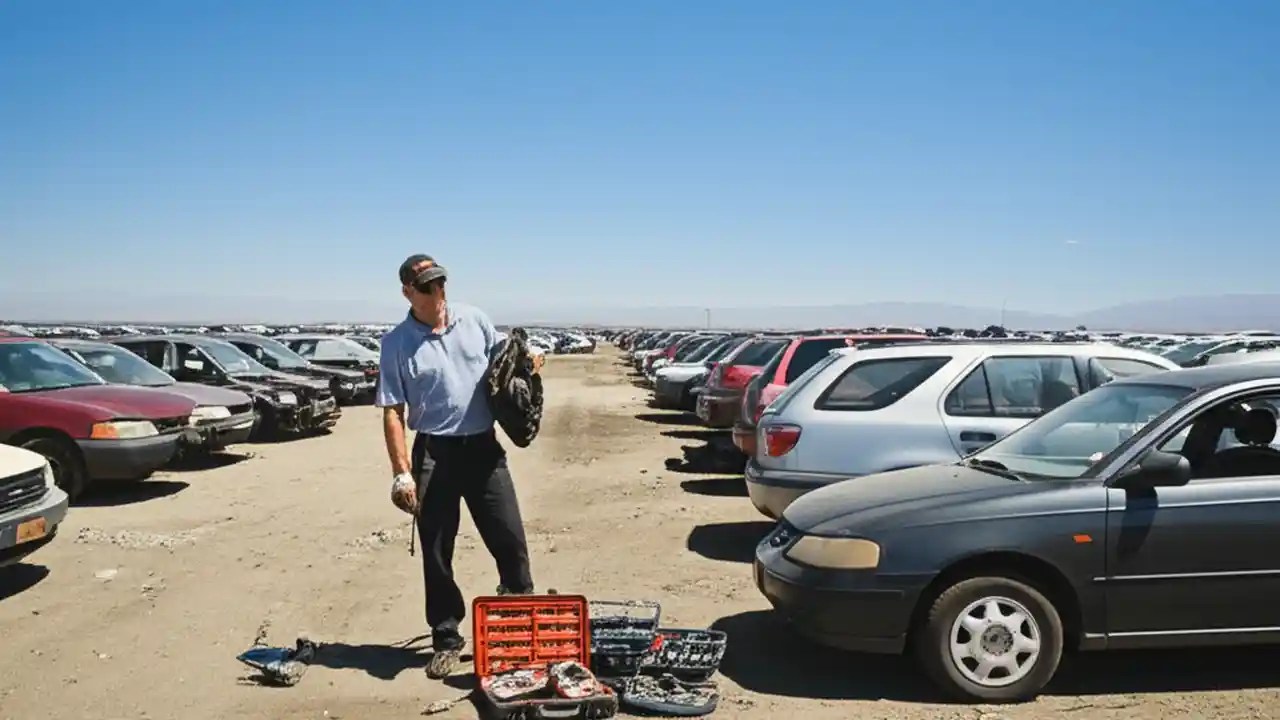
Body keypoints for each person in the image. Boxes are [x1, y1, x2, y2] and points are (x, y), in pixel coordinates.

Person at [377, 253, 536, 679]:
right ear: (408, 292)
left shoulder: (475, 320)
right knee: (437, 551)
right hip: (433, 454)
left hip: (484, 450)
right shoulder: (396, 344)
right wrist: (400, 472)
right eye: (427, 285)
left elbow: (511, 360)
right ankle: (447, 637)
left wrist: (530, 363)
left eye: (441, 282)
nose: (438, 291)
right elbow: (393, 411)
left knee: (510, 541)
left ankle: (520, 625)